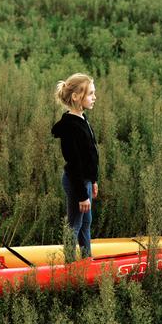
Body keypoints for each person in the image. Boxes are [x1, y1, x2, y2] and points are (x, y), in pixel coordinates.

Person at [51, 73, 99, 258]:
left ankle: (87, 260)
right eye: (90, 94)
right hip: (76, 182)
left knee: (86, 222)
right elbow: (75, 163)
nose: (94, 97)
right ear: (76, 97)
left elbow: (90, 155)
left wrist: (93, 180)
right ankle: (69, 266)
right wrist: (82, 195)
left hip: (85, 181)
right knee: (74, 225)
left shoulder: (82, 119)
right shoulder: (71, 127)